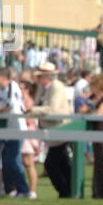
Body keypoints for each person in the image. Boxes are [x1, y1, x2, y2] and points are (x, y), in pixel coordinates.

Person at [0, 66, 32, 197]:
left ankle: (24, 189)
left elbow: (9, 107)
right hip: (6, 128)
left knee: (12, 161)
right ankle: (11, 189)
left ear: (4, 77)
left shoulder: (13, 86)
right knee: (6, 161)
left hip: (17, 129)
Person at [29, 62, 74, 197]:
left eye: (40, 76)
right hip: (53, 131)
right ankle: (69, 192)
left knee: (51, 164)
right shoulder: (43, 88)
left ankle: (65, 191)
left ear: (45, 76)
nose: (37, 79)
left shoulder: (56, 87)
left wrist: (32, 111)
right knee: (63, 164)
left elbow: (53, 109)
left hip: (60, 130)